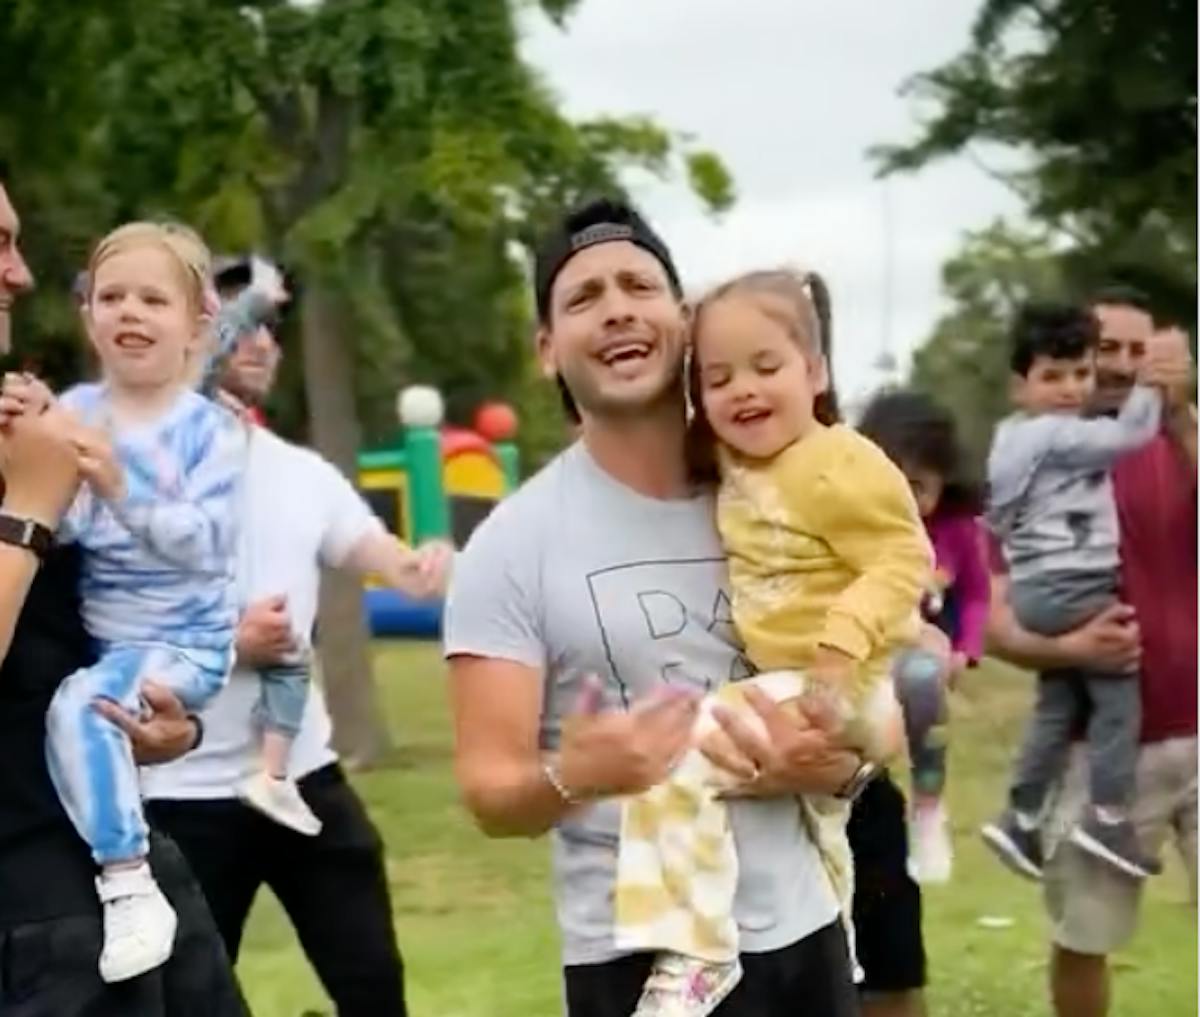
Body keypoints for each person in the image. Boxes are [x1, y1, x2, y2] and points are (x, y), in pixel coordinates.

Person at [445, 198, 881, 1017]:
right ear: (547, 349)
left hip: (807, 936)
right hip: (642, 967)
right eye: (583, 298)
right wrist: (577, 773)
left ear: (682, 322)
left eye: (637, 286)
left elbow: (885, 662)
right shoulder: (512, 543)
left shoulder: (784, 491)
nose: (615, 309)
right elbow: (488, 789)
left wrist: (845, 762)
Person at [607, 267, 924, 1015]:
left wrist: (842, 646)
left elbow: (906, 555)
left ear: (815, 371)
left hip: (839, 677)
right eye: (717, 377)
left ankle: (698, 949)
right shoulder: (736, 459)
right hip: (799, 680)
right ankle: (837, 949)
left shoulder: (840, 460)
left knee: (679, 752)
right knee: (821, 825)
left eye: (766, 367)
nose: (742, 389)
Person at [141, 255, 451, 1017]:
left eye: (270, 327)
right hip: (182, 799)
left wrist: (424, 566)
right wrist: (230, 645)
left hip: (302, 779)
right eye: (239, 321)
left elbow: (385, 558)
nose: (260, 342)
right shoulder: (133, 467)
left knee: (375, 986)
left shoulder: (303, 473)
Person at [0, 174, 246, 1015]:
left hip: (128, 884)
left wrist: (167, 725)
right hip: (29, 925)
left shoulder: (44, 424)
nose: (23, 273)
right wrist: (31, 506)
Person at [986, 287, 1196, 1017]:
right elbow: (990, 620)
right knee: (1084, 937)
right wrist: (1068, 647)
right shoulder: (1035, 455)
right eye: (1108, 349)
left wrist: (1183, 413)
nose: (1121, 367)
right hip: (1100, 747)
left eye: (1141, 353)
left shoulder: (1176, 442)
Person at [981, 302, 1163, 881]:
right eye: (1052, 377)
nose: (1070, 389)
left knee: (1058, 706)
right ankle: (1108, 815)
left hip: (1039, 586)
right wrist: (1154, 380)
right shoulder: (1052, 433)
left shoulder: (1010, 437)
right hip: (1072, 585)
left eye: (1078, 375)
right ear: (1021, 386)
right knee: (1117, 693)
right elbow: (1132, 434)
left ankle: (1023, 814)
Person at [858, 389, 990, 885]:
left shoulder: (957, 533)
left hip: (920, 658)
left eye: (917, 485)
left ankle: (929, 807)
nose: (902, 498)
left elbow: (976, 596)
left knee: (922, 682)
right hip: (860, 652)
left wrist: (966, 649)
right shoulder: (853, 528)